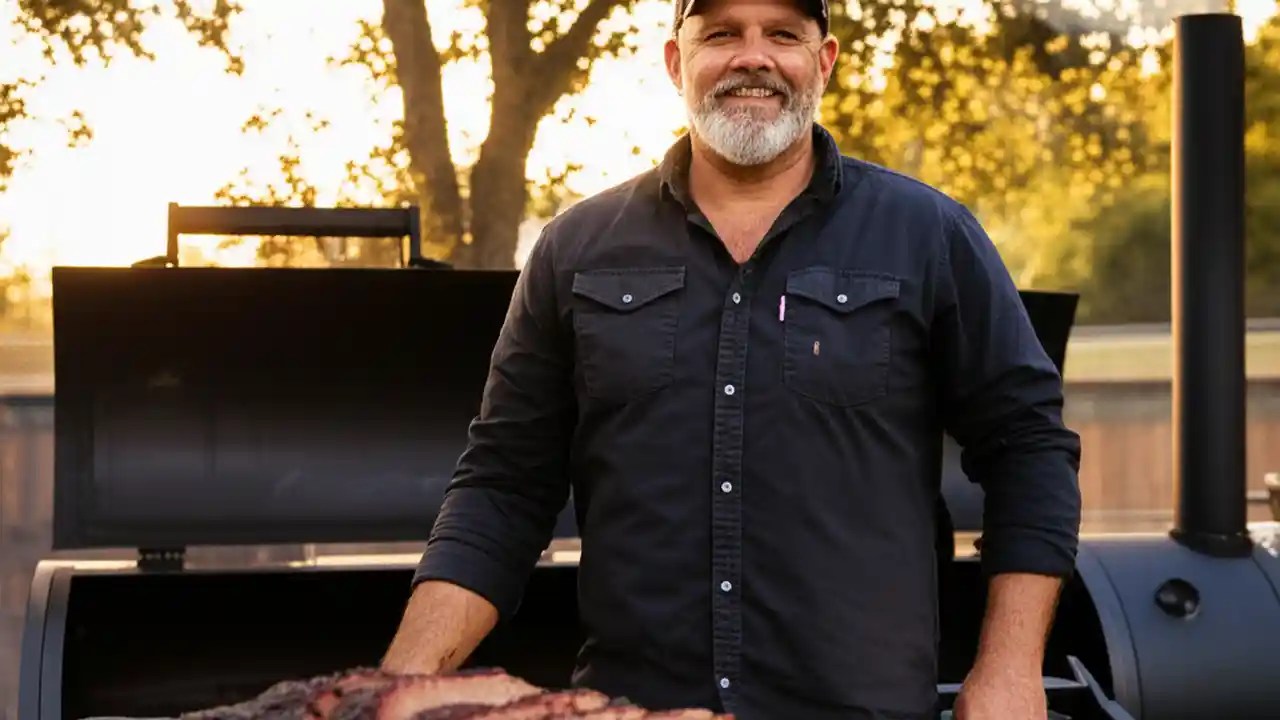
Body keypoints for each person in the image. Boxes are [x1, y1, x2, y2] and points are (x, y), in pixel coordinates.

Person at [380, 0, 1083, 718]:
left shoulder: (927, 235)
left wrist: (1009, 672)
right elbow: (502, 488)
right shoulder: (576, 251)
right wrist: (392, 690)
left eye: (782, 34)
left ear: (825, 61)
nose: (753, 56)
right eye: (721, 34)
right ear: (676, 61)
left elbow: (1026, 445)